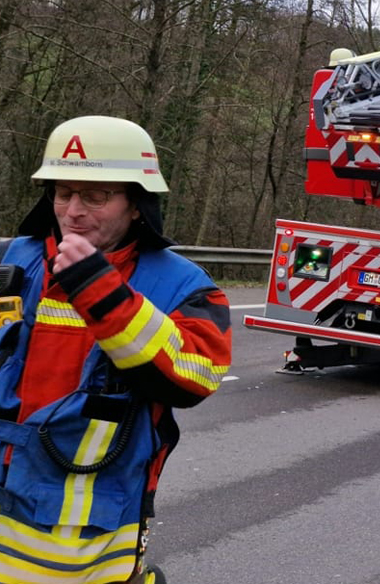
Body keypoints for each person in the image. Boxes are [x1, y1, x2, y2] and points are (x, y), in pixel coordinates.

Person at [0, 115, 233, 583]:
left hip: (80, 531)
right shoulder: (12, 258)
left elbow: (198, 376)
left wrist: (103, 294)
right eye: (64, 193)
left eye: (95, 196)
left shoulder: (182, 285)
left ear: (136, 206)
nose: (73, 211)